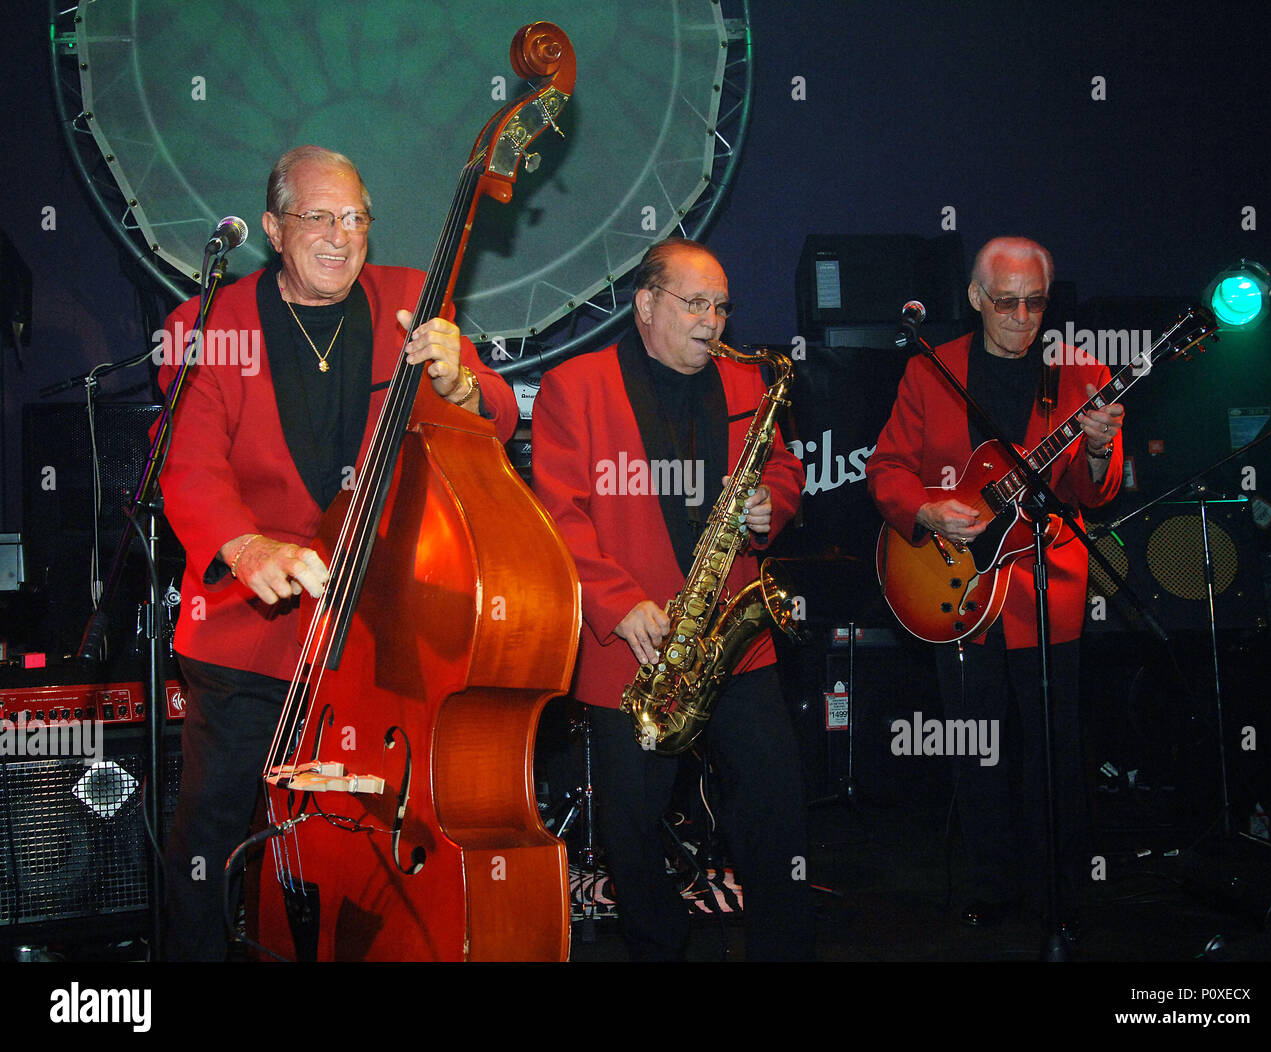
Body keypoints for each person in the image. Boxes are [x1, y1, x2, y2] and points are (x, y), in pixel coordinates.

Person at [157, 145, 518, 961]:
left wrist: (462, 381)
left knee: (358, 835)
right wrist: (245, 546)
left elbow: (497, 414)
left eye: (355, 217)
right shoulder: (206, 326)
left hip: (370, 641)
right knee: (214, 827)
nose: (339, 236)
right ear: (276, 229)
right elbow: (188, 462)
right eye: (318, 217)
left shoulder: (407, 302)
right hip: (249, 630)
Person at [530, 238, 814, 961]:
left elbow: (781, 464)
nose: (712, 321)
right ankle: (660, 949)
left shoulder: (746, 383)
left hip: (734, 639)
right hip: (637, 647)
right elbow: (558, 516)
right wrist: (620, 604)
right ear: (646, 303)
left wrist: (768, 504)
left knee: (776, 811)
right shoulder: (576, 385)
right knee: (630, 829)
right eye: (695, 303)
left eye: (721, 305)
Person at [866, 236, 1125, 933]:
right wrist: (925, 509)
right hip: (958, 588)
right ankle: (993, 885)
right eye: (1005, 301)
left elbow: (1091, 493)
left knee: (1056, 747)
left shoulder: (1079, 375)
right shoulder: (933, 371)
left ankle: (1061, 894)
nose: (1020, 317)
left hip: (1047, 585)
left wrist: (1099, 445)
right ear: (977, 298)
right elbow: (888, 467)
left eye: (1035, 302)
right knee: (978, 744)